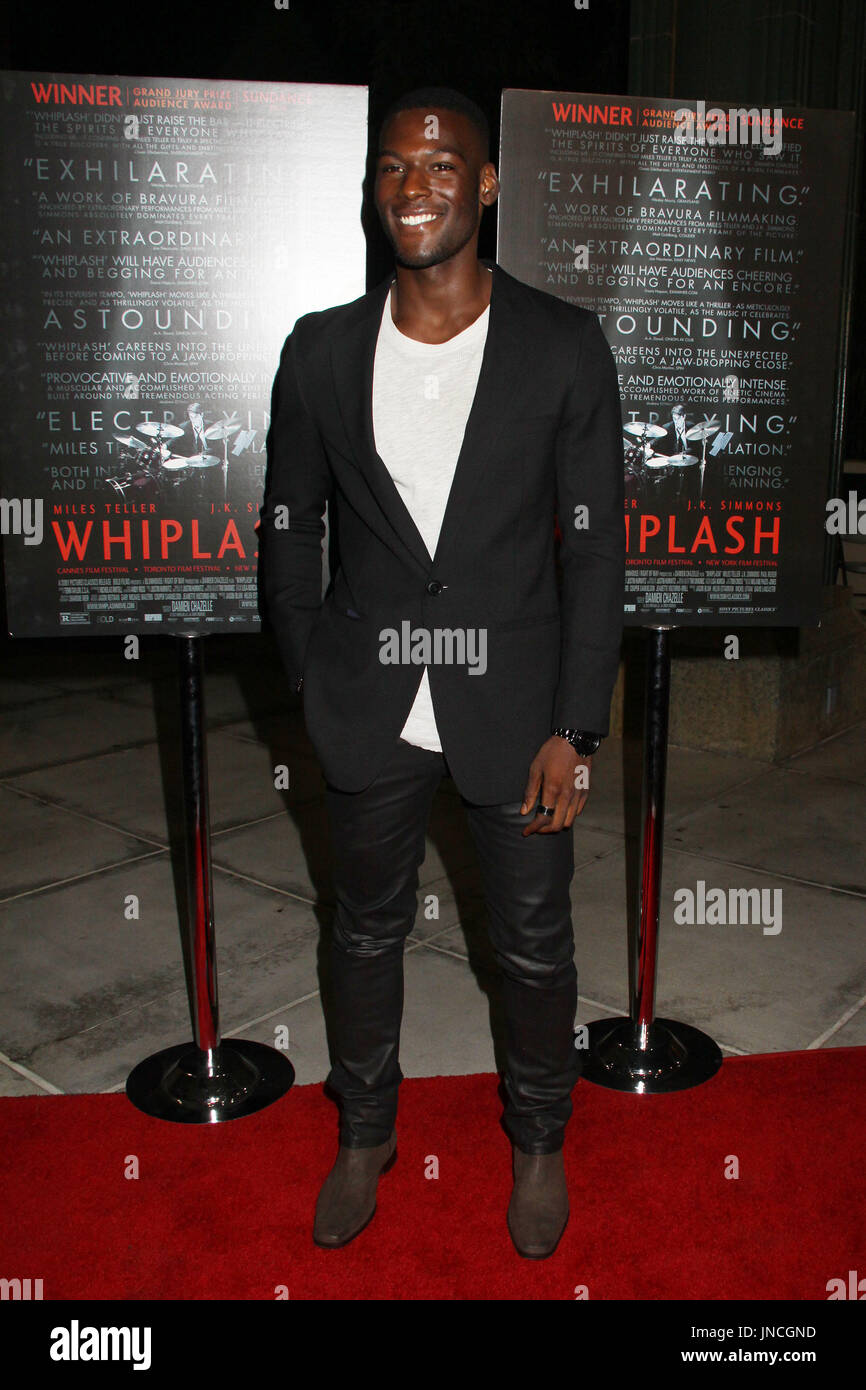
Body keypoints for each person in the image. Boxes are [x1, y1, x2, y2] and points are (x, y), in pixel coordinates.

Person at [260, 86, 624, 1259]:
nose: (412, 185)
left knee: (531, 946)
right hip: (366, 700)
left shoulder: (561, 344)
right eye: (390, 167)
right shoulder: (318, 349)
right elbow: (287, 526)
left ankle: (536, 1143)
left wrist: (578, 725)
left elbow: (595, 550)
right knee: (360, 931)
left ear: (485, 184)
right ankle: (363, 1132)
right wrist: (308, 675)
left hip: (516, 710)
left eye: (439, 163)